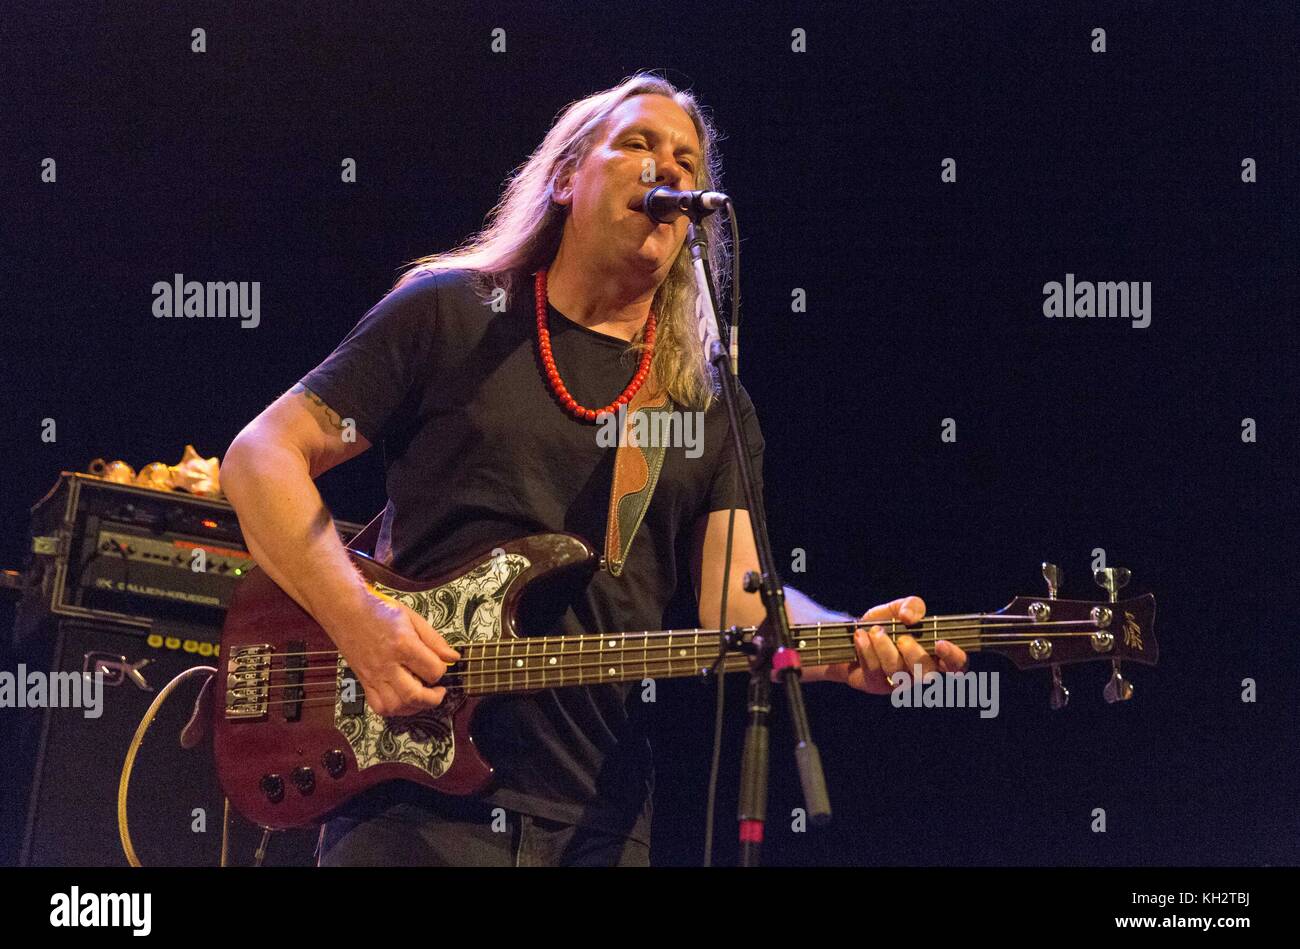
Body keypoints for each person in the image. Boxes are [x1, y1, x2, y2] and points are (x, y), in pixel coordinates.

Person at [220, 73, 967, 867]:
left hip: (599, 826)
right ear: (567, 177)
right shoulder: (453, 313)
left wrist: (848, 644)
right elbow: (261, 456)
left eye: (689, 158)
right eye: (639, 143)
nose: (670, 168)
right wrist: (359, 622)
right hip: (408, 804)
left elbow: (741, 599)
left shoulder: (706, 403)